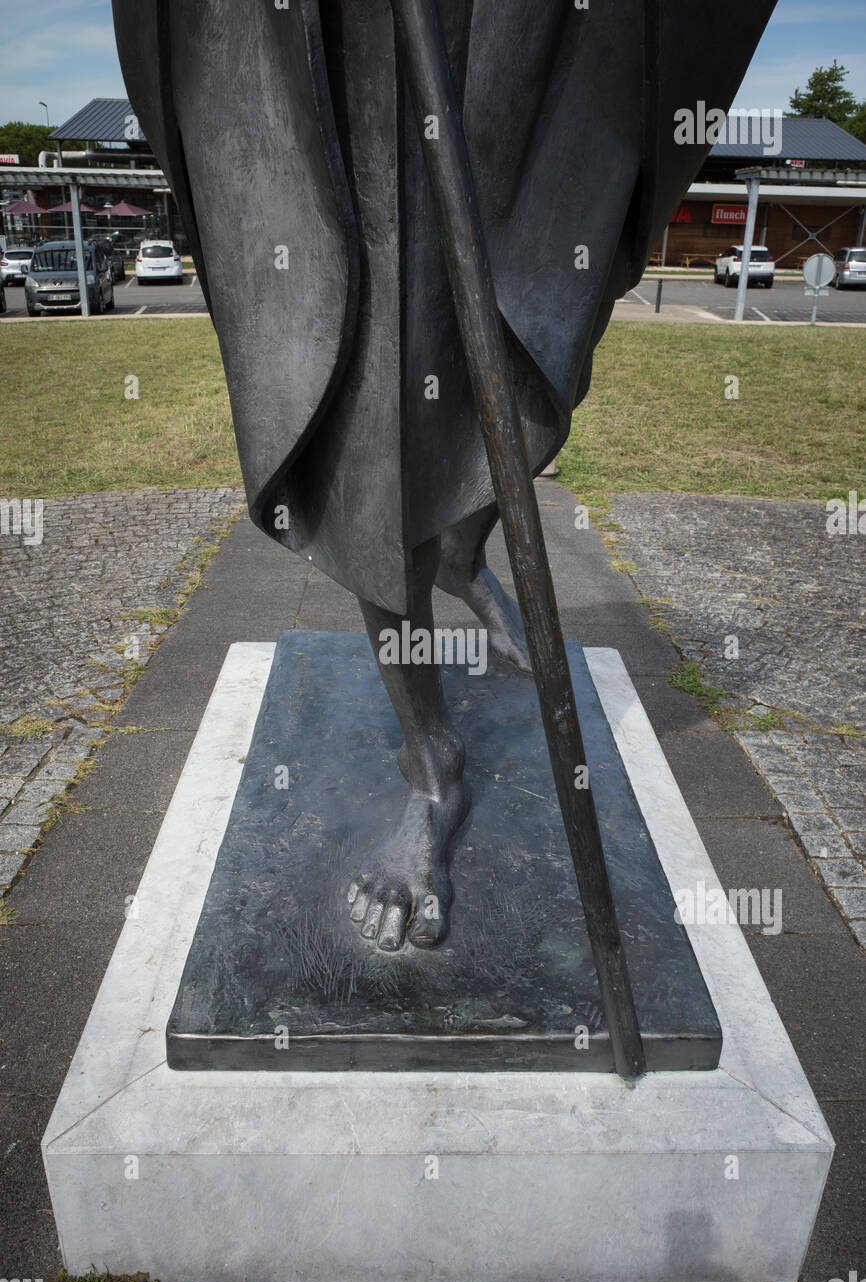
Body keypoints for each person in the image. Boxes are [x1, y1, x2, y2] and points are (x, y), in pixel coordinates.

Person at [113, 0, 775, 952]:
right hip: (340, 43)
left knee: (498, 319)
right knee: (369, 405)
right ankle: (433, 763)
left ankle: (462, 552)